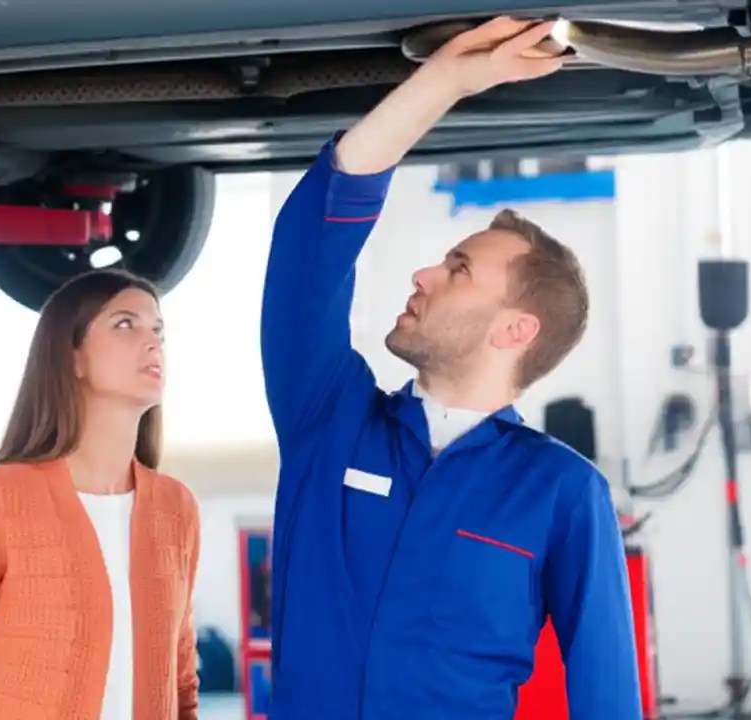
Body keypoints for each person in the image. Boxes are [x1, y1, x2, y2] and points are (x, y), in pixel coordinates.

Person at [260, 16, 642, 720]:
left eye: (458, 270)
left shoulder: (561, 492)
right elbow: (306, 252)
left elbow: (605, 692)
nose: (425, 273)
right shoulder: (331, 421)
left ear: (514, 330)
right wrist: (445, 82)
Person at [0, 269, 202, 720]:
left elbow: (181, 686)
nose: (153, 342)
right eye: (126, 324)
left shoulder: (176, 508)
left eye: (158, 329)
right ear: (72, 358)